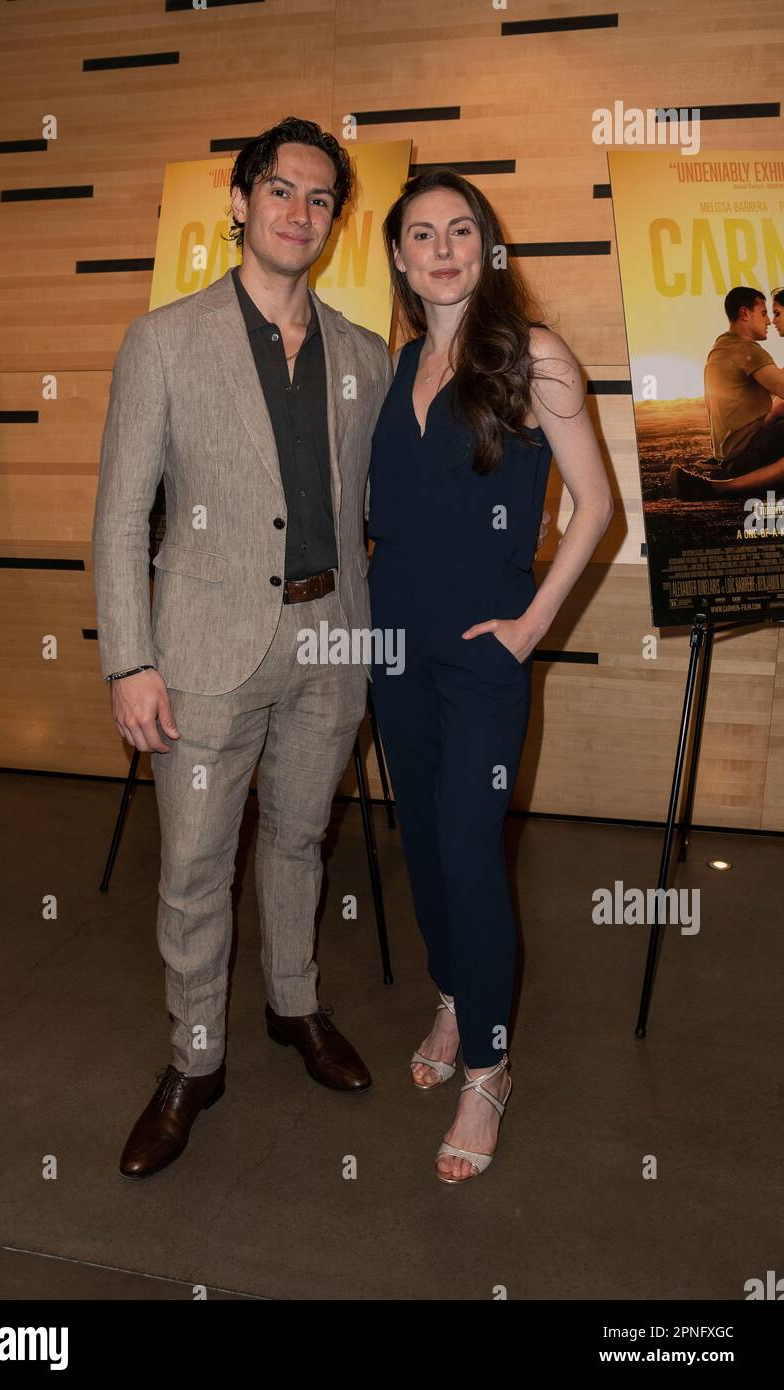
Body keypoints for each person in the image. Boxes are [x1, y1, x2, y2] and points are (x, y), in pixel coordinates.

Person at [92, 117, 393, 1180]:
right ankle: (194, 1060)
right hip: (204, 651)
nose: (299, 212)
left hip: (330, 640)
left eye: (319, 199)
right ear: (238, 200)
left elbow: (384, 504)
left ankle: (295, 1004)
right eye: (280, 191)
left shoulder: (366, 354)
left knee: (300, 841)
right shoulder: (165, 340)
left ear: (333, 220)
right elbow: (123, 514)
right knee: (192, 866)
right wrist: (129, 660)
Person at [367, 168, 613, 1184]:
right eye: (420, 234)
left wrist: (528, 628)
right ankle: (454, 993)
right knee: (420, 840)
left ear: (488, 243)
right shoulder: (399, 362)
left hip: (483, 657)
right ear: (398, 258)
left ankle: (489, 1070)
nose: (442, 248)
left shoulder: (535, 356)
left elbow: (598, 507)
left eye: (460, 228)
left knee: (471, 849)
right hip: (394, 645)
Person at [671, 286, 784, 499]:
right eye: (764, 313)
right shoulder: (747, 351)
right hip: (746, 454)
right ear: (744, 313)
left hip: (730, 452)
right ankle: (717, 488)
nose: (769, 321)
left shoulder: (722, 344)